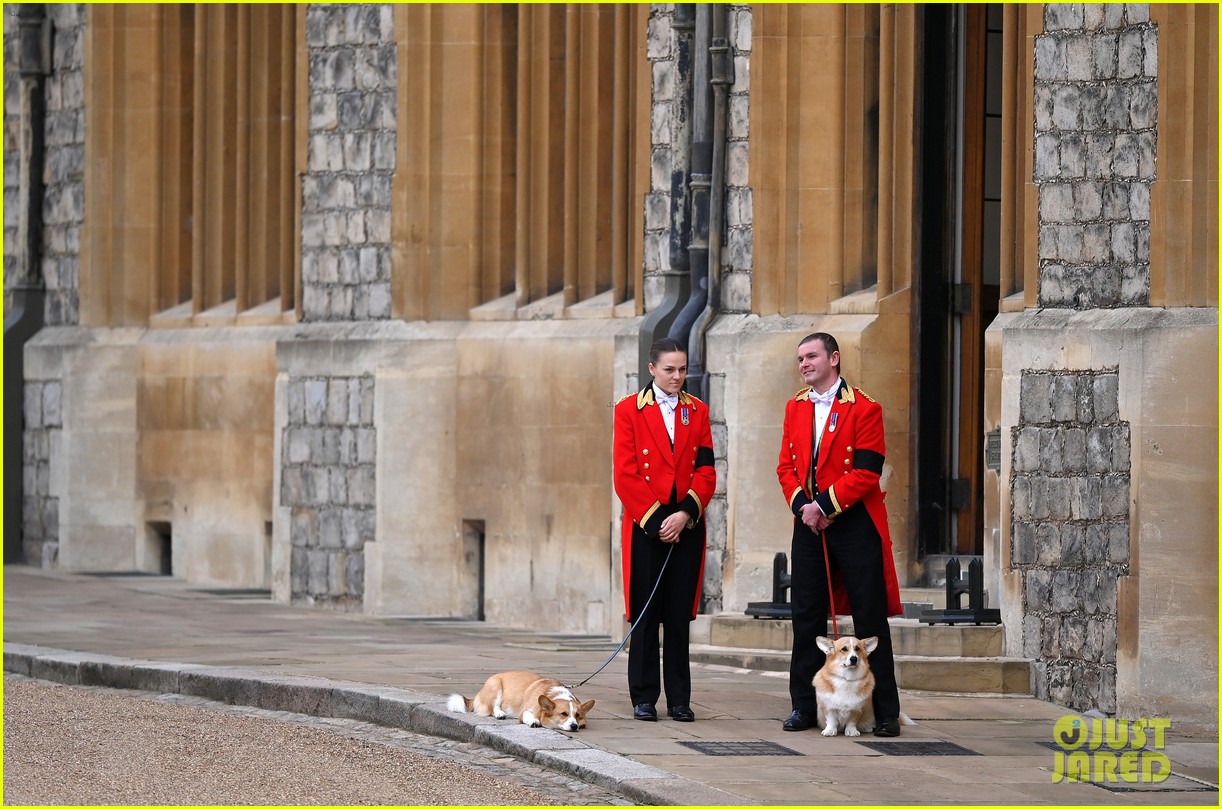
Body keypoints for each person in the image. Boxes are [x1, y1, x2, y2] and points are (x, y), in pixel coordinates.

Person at [775, 332, 904, 736]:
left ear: (833, 358)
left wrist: (825, 507)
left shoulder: (865, 408)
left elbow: (867, 470)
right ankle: (802, 707)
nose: (804, 364)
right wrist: (805, 509)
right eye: (800, 358)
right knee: (805, 618)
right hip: (809, 524)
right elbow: (785, 468)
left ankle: (885, 713)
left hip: (854, 523)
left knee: (869, 618)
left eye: (811, 356)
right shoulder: (794, 407)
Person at [613, 338, 716, 723]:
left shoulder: (698, 411)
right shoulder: (629, 410)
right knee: (644, 614)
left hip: (685, 524)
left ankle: (678, 699)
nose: (677, 376)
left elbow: (706, 470)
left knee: (677, 615)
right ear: (652, 369)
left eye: (682, 369)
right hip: (647, 526)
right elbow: (625, 475)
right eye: (670, 369)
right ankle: (643, 696)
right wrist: (658, 522)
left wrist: (685, 514)